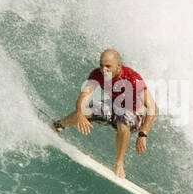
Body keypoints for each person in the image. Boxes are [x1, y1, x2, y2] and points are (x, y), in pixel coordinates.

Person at [53, 48, 157, 179]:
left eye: (108, 66)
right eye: (101, 66)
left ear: (118, 66)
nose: (104, 70)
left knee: (123, 119)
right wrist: (80, 113)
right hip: (113, 107)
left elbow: (153, 108)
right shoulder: (97, 74)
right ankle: (58, 125)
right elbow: (84, 96)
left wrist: (143, 134)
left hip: (135, 114)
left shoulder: (132, 78)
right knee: (87, 110)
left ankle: (119, 163)